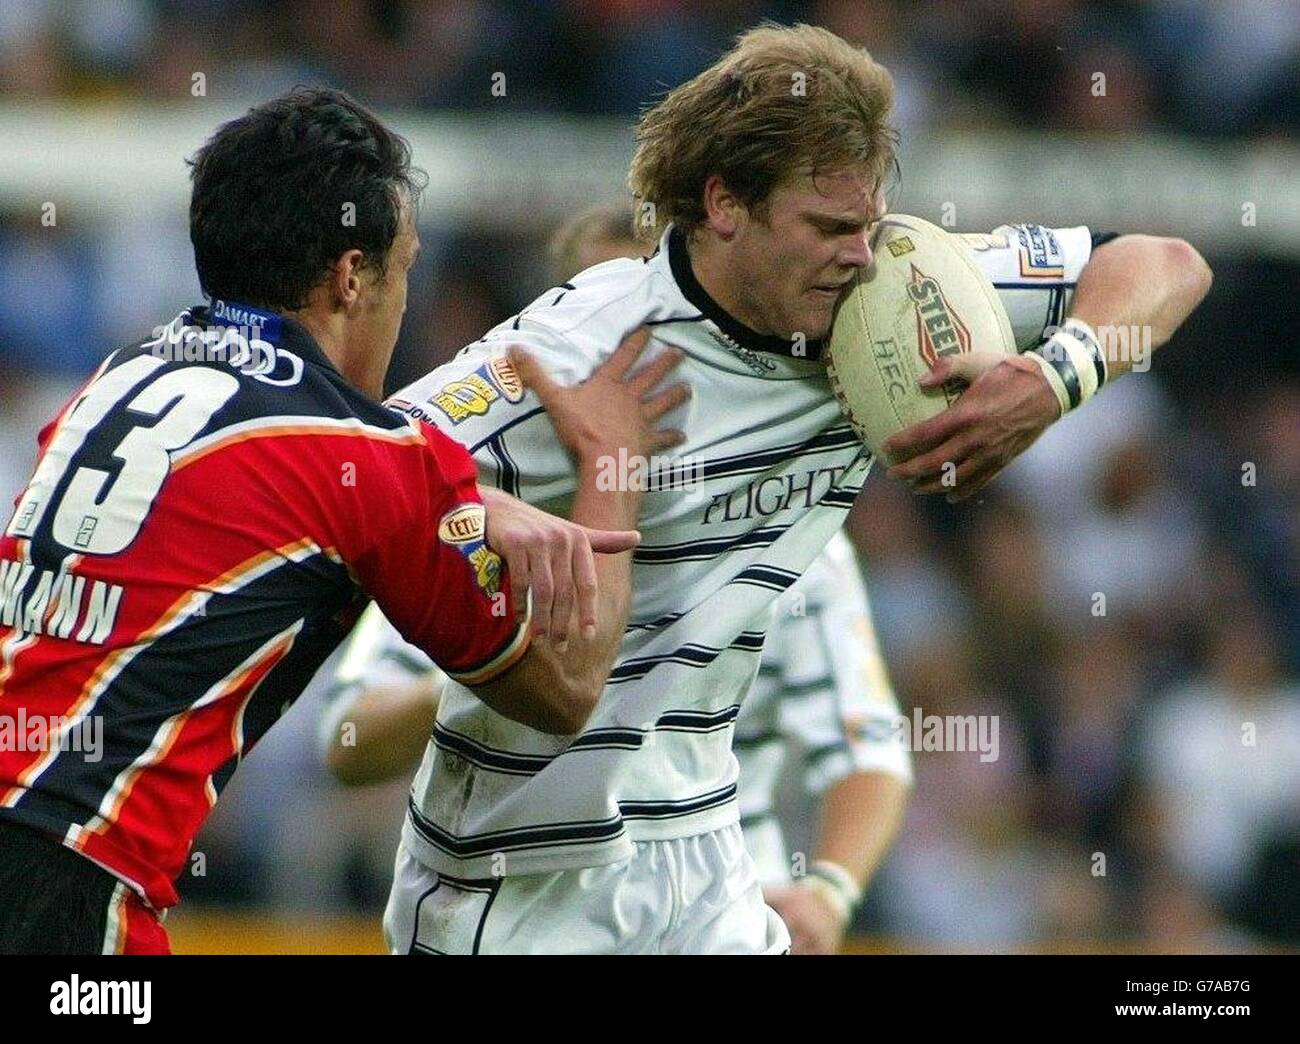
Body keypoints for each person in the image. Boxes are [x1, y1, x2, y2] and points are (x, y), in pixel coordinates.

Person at [378, 24, 1212, 954]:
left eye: (870, 222)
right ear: (725, 203)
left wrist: (1056, 376)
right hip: (518, 878)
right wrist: (483, 505)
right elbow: (348, 466)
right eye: (827, 228)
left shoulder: (892, 291)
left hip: (705, 854)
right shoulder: (582, 349)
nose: (860, 253)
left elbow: (1169, 265)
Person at [0, 87, 682, 954]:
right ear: (353, 276)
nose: (404, 301)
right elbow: (567, 688)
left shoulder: (118, 376)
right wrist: (613, 462)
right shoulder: (368, 461)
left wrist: (472, 507)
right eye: (404, 269)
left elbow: (255, 504)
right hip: (60, 885)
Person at [322, 203, 912, 954]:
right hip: (532, 904)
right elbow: (347, 743)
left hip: (723, 903)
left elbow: (868, 750)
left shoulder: (798, 541)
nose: (613, 375)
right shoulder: (482, 526)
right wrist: (497, 671)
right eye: (592, 349)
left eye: (650, 345)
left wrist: (829, 891)